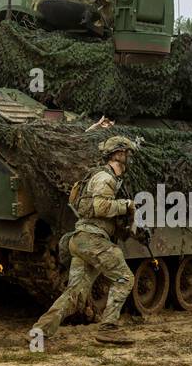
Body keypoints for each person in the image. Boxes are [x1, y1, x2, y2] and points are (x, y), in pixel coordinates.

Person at [31, 135, 140, 345]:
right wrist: (127, 205)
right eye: (127, 153)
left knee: (75, 294)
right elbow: (100, 207)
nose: (130, 158)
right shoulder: (105, 178)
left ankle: (39, 332)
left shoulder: (108, 178)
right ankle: (108, 328)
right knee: (125, 279)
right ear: (118, 154)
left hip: (84, 240)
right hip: (93, 240)